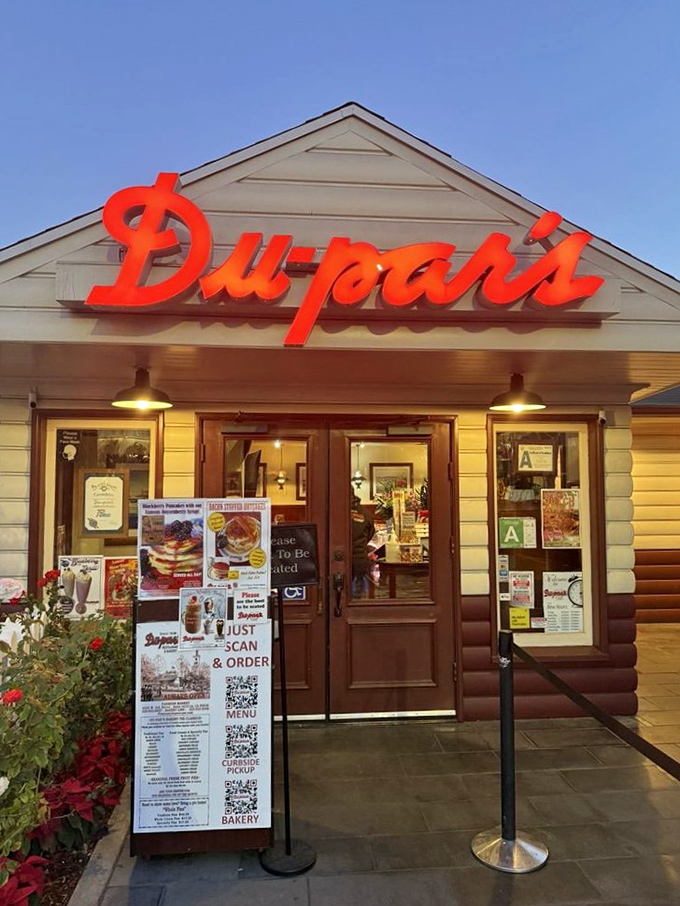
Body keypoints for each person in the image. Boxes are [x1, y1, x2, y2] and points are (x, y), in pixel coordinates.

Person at [351, 491, 374, 598]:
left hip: (340, 559)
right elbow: (371, 534)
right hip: (360, 558)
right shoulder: (365, 513)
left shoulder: (337, 511)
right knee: (357, 598)